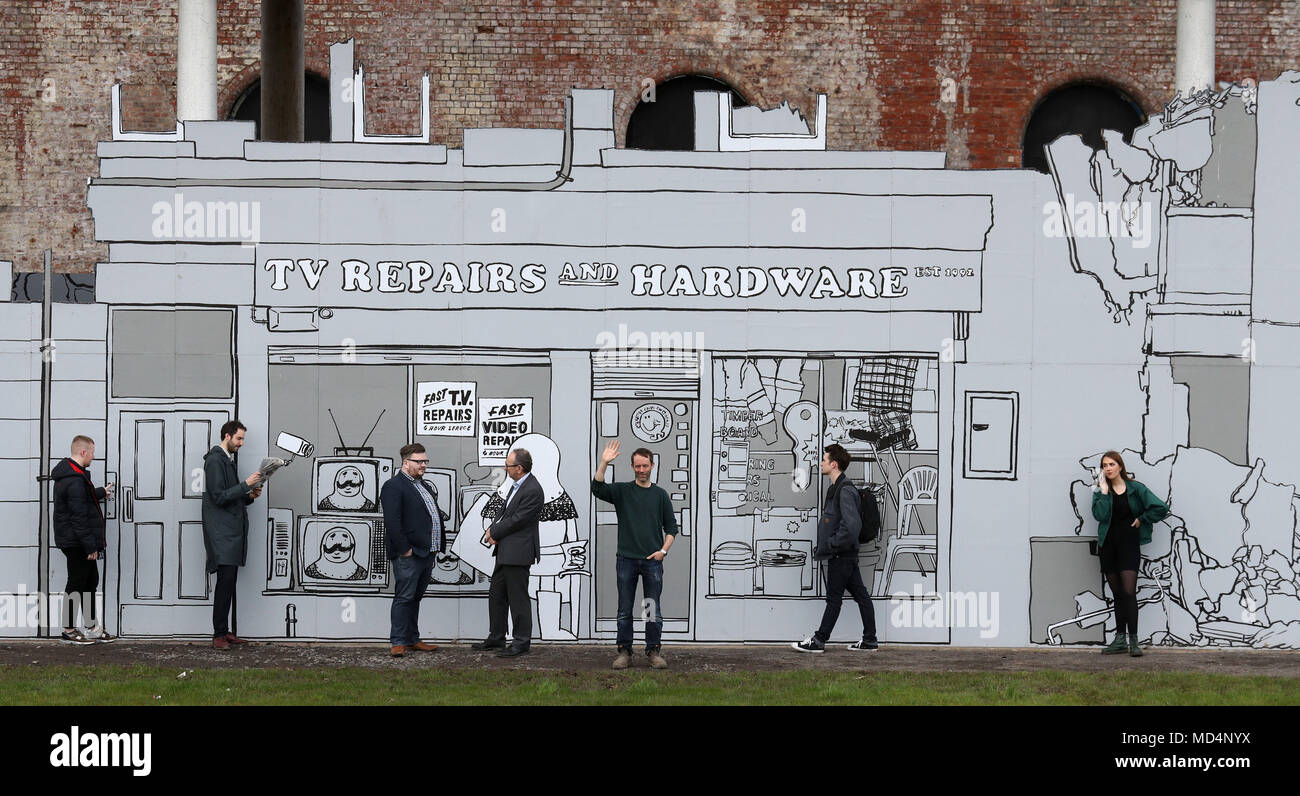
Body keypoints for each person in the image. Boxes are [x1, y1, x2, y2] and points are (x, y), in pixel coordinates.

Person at [592, 440, 677, 670]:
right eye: (637, 466)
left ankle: (653, 651)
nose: (641, 470)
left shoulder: (660, 495)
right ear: (632, 467)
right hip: (626, 560)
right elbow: (597, 488)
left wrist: (663, 551)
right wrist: (604, 462)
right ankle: (624, 652)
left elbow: (672, 528)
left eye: (645, 466)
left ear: (652, 466)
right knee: (624, 608)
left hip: (652, 562)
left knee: (651, 608)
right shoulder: (622, 491)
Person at [792, 443, 878, 653]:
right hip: (844, 554)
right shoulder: (837, 488)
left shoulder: (845, 490)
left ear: (834, 464)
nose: (821, 463)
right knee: (861, 596)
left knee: (834, 598)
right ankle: (870, 640)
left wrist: (833, 544)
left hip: (841, 554)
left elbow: (852, 526)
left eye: (824, 460)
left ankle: (819, 640)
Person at [1091, 450, 1170, 657]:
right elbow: (1099, 515)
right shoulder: (1100, 491)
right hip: (1108, 545)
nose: (1107, 468)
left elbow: (1161, 508)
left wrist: (1142, 518)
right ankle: (1119, 640)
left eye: (1111, 464)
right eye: (1104, 465)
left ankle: (1133, 641)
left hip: (1128, 544)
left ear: (1120, 466)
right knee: (1117, 594)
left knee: (1128, 592)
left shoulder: (1136, 488)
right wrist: (1103, 491)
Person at [471, 448, 543, 658]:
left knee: (518, 598)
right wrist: (493, 529)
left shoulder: (533, 489)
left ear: (519, 468)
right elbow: (505, 513)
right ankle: (497, 637)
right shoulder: (517, 485)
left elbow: (519, 519)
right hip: (506, 550)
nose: (505, 468)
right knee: (497, 595)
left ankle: (521, 642)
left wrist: (494, 531)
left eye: (508, 465)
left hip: (518, 552)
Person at [380, 443, 447, 657]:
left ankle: (412, 639)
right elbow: (392, 521)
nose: (423, 465)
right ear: (405, 462)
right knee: (404, 597)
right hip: (409, 554)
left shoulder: (423, 485)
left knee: (415, 598)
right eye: (419, 461)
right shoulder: (394, 486)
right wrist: (404, 550)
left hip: (427, 553)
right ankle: (398, 641)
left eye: (425, 461)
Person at [202, 420, 262, 649]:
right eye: (239, 438)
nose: (241, 443)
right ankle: (218, 635)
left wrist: (249, 495)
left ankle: (224, 631)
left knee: (228, 582)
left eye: (242, 439)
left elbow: (229, 496)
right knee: (225, 583)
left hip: (229, 531)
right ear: (227, 436)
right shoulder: (215, 460)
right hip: (222, 533)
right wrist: (245, 484)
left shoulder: (226, 460)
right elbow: (218, 496)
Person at [50, 435, 115, 644]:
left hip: (77, 540)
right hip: (77, 542)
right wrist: (90, 546)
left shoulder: (74, 476)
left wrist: (100, 492)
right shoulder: (74, 479)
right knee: (77, 583)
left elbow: (81, 498)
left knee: (89, 582)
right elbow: (78, 517)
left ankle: (91, 627)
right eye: (93, 453)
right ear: (83, 452)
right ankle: (69, 630)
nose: (93, 457)